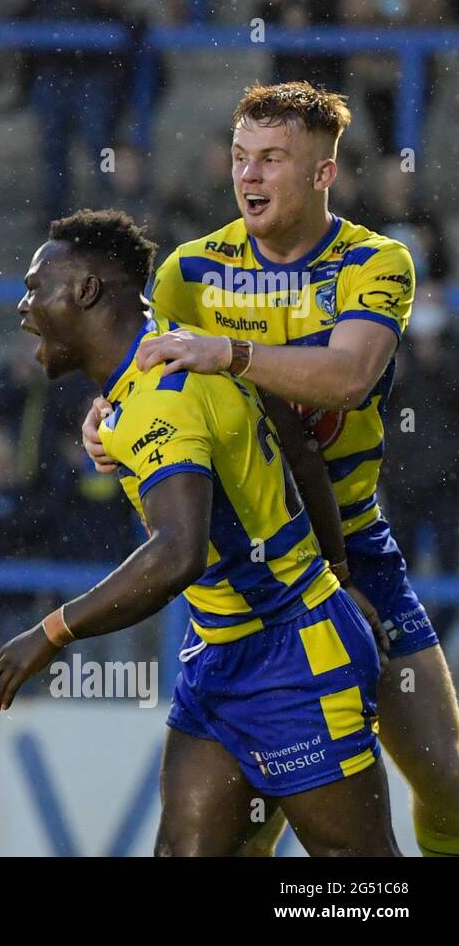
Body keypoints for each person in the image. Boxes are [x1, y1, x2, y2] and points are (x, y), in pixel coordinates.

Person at [82, 81, 459, 857]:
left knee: (449, 780)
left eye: (273, 161)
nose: (248, 178)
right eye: (240, 158)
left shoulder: (375, 262)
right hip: (250, 576)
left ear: (323, 174)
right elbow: (143, 389)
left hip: (356, 547)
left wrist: (232, 352)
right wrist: (104, 424)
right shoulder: (189, 272)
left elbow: (350, 376)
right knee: (234, 829)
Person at [0, 208, 398, 856]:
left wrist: (51, 633)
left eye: (37, 287)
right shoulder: (185, 350)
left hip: (294, 659)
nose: (24, 305)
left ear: (87, 291)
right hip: (220, 656)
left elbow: (176, 554)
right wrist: (338, 575)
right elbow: (297, 442)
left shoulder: (160, 396)